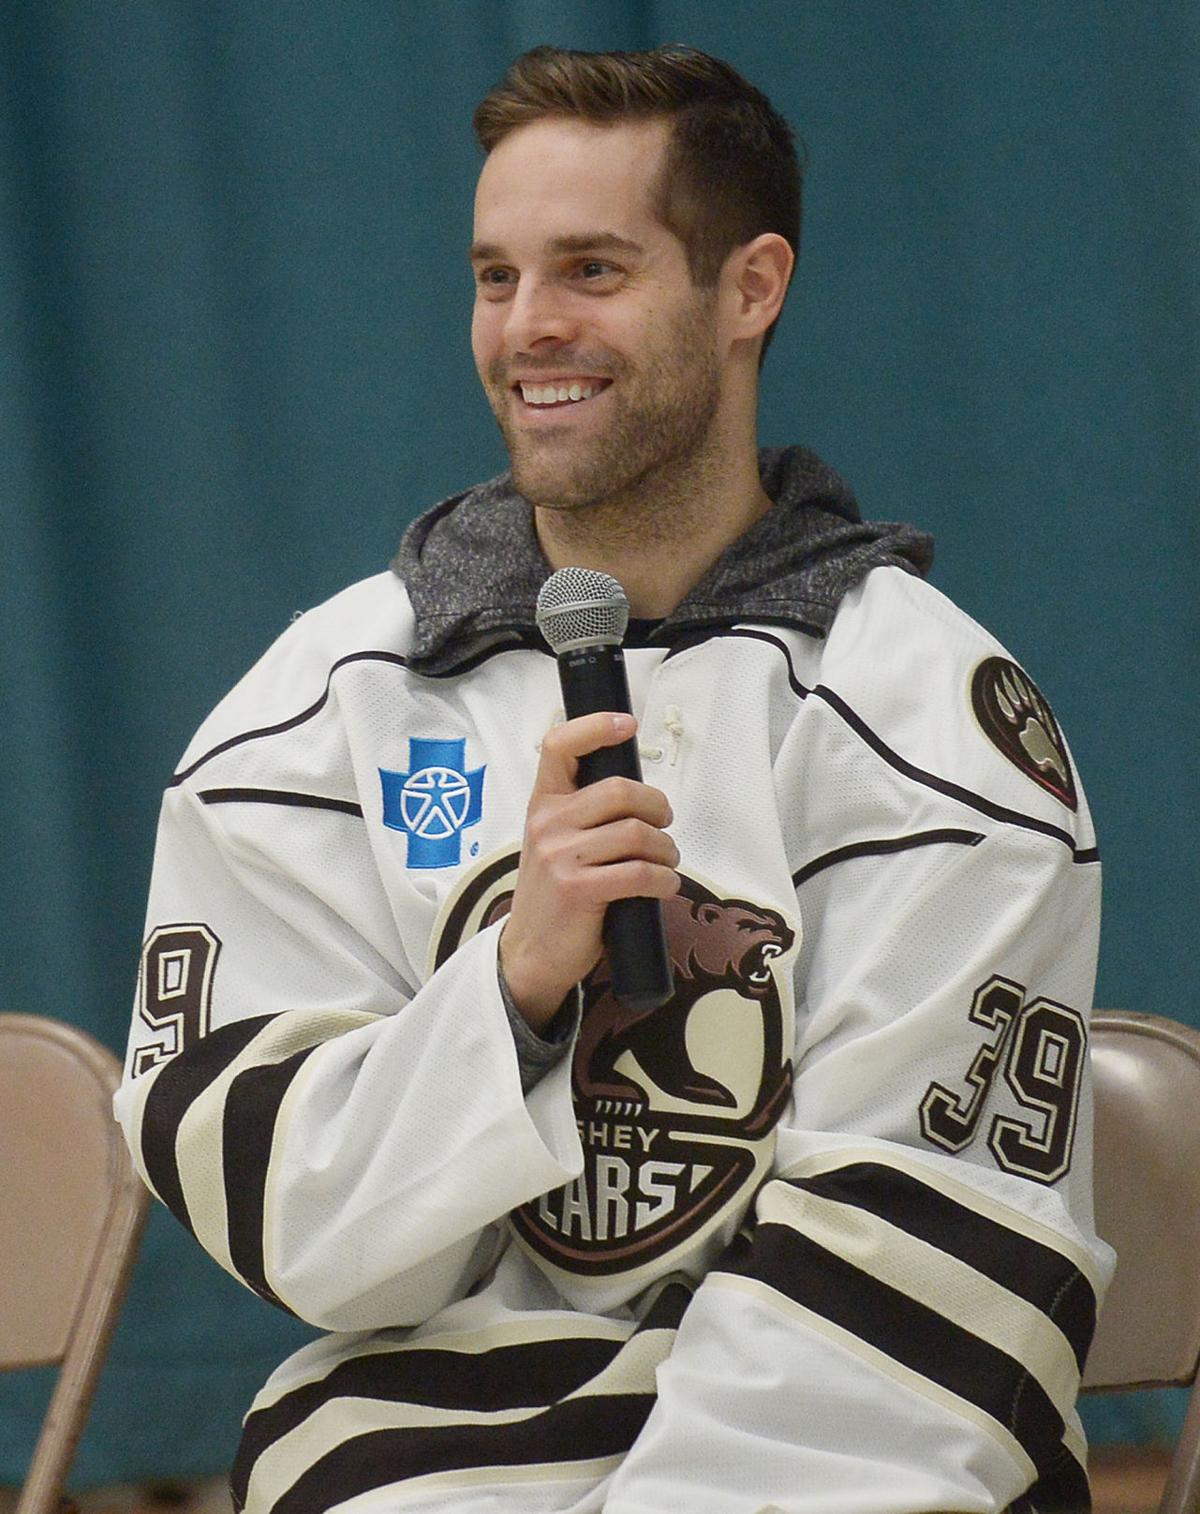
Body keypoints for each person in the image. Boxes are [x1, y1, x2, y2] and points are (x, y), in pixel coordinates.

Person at [116, 44, 1112, 1514]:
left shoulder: (927, 717)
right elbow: (317, 1234)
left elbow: (921, 1276)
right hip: (424, 1462)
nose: (530, 329)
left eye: (590, 269)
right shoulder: (323, 708)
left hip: (842, 1459)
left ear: (750, 291)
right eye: (495, 276)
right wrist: (508, 993)